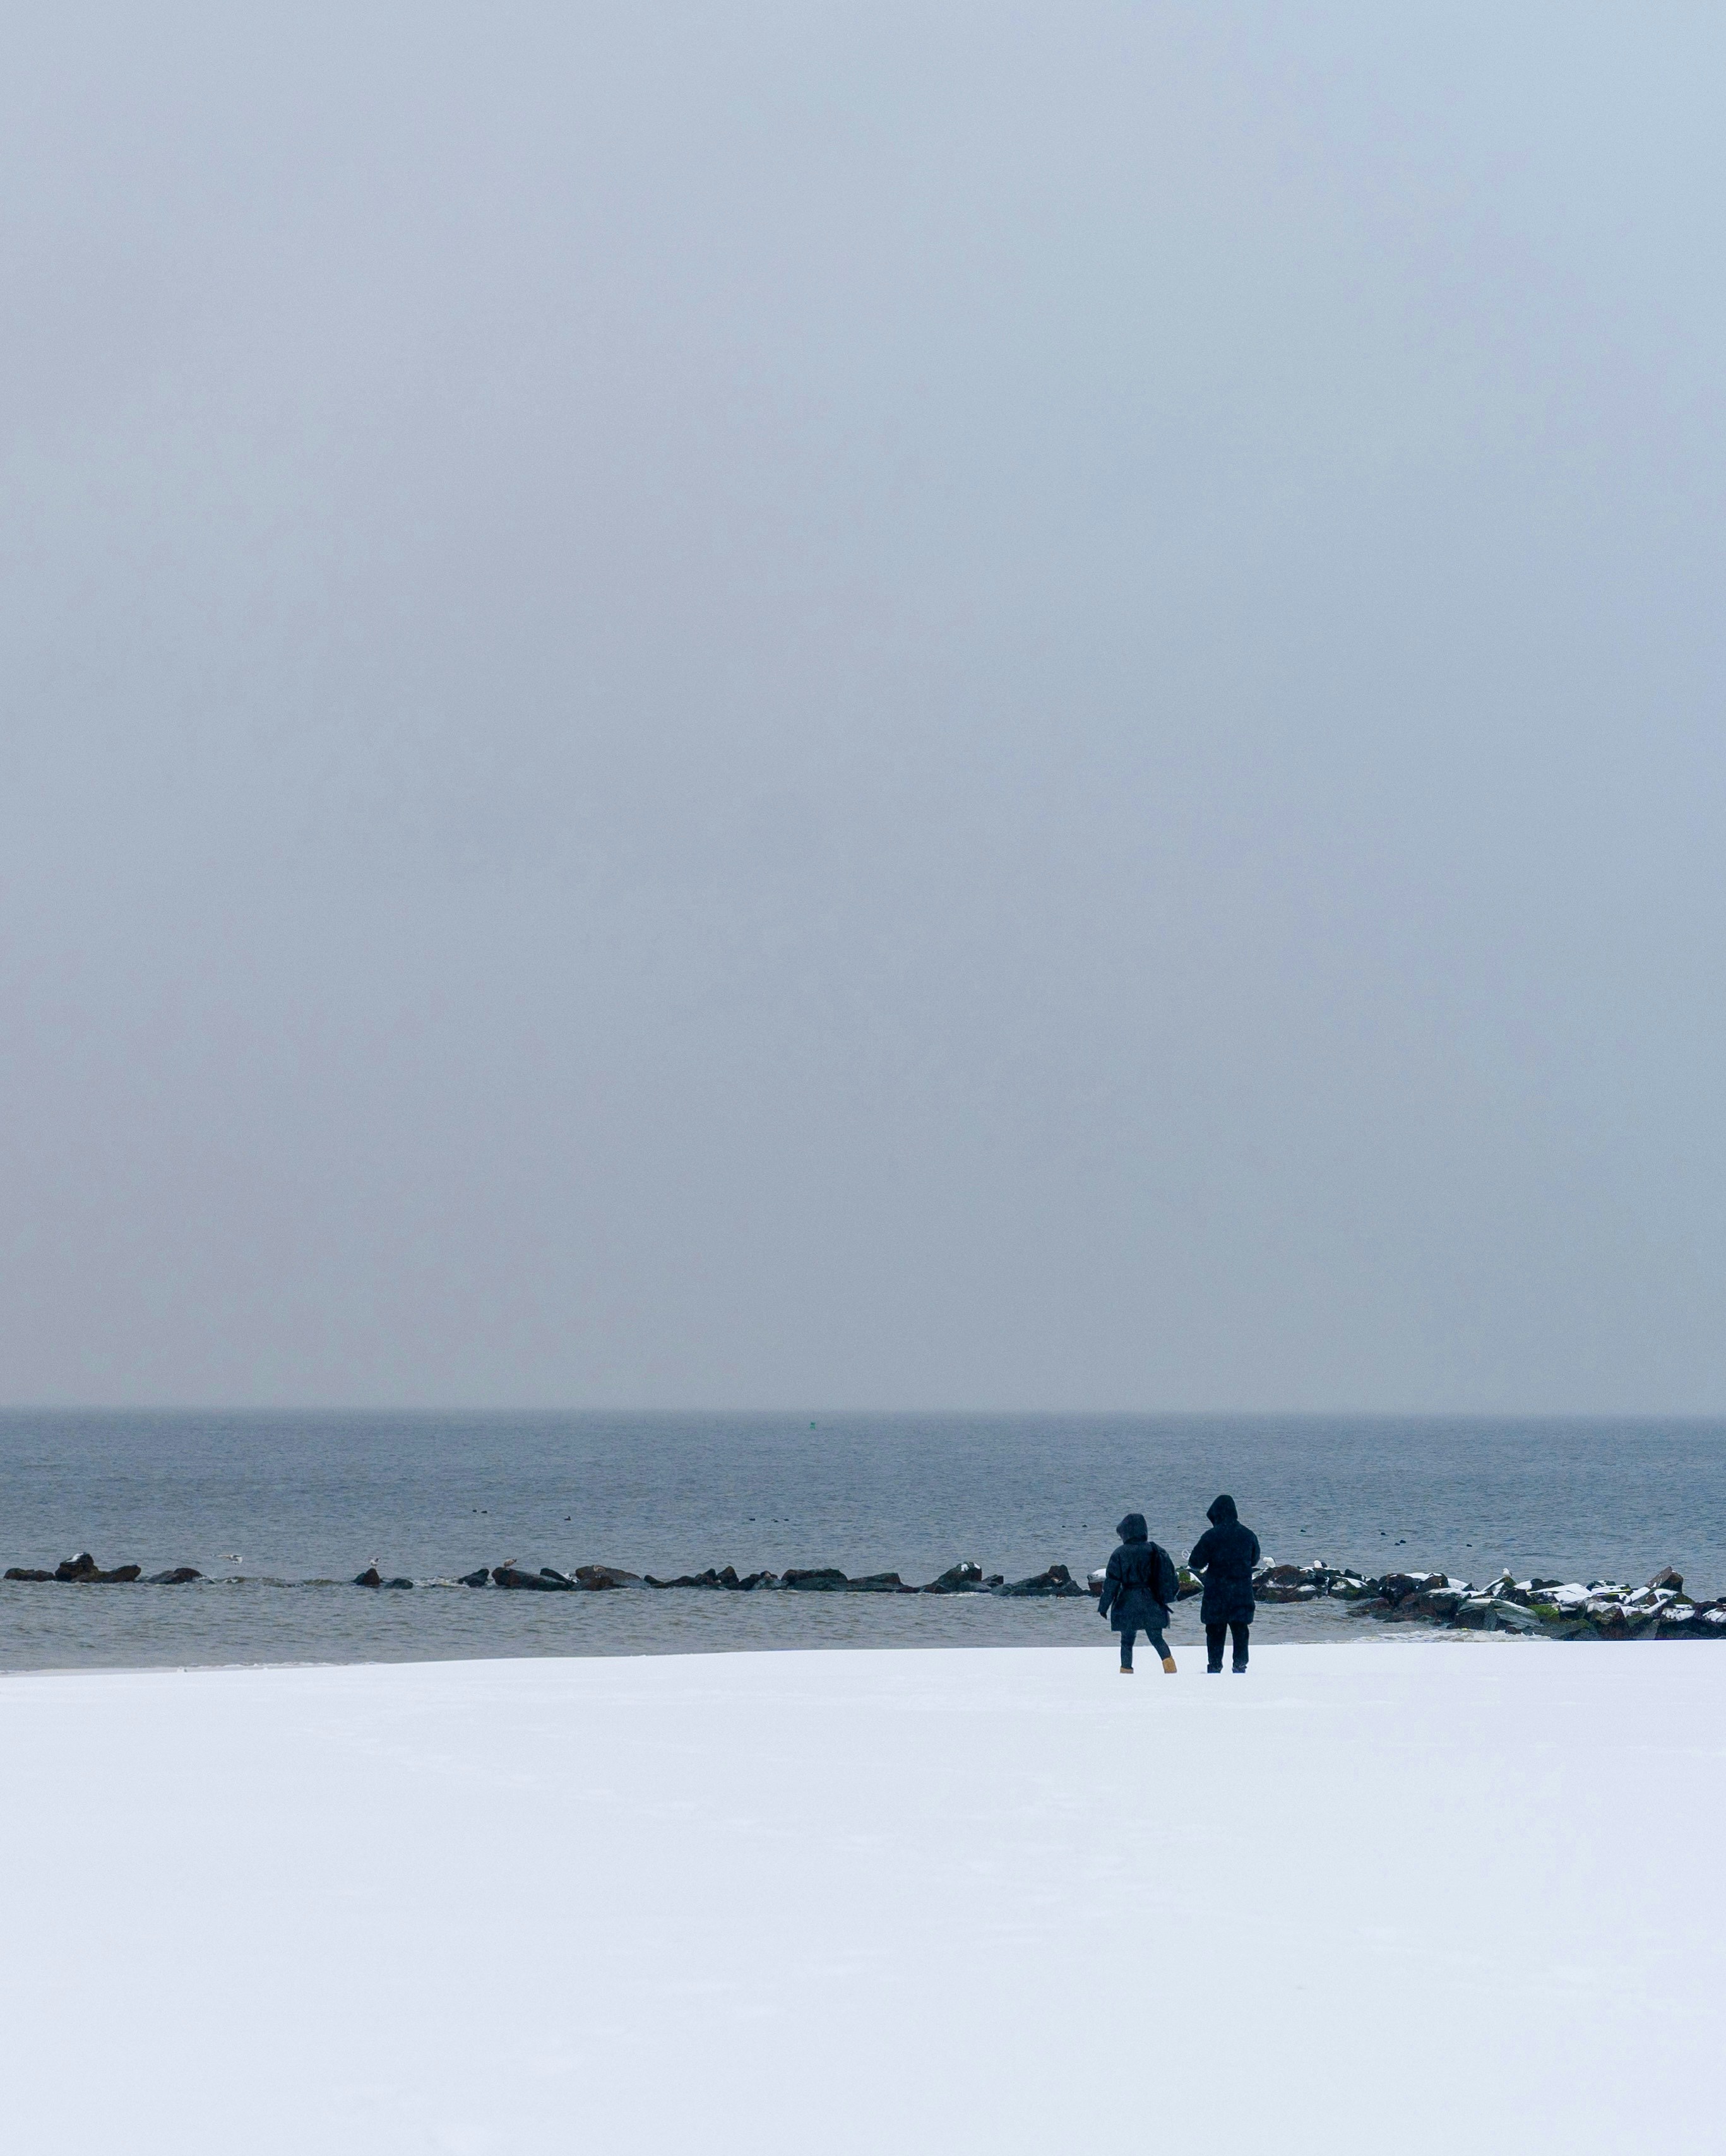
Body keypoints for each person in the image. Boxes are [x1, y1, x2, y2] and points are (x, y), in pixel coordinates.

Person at [1097, 1512, 1179, 1674]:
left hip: (1127, 1601)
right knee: (1157, 1638)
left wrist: (1103, 1606)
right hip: (1153, 1600)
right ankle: (1171, 1670)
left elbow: (1112, 1583)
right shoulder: (1156, 1550)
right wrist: (1170, 1596)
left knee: (1127, 1641)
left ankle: (1126, 1671)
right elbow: (1170, 1576)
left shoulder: (1119, 1553)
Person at [1188, 1493, 1260, 1673]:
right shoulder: (1248, 1535)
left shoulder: (1211, 1536)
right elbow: (1254, 1560)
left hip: (1217, 1592)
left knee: (1214, 1631)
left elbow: (1195, 1562)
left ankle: (1214, 1666)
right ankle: (1240, 1665)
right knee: (1241, 1631)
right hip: (1241, 1591)